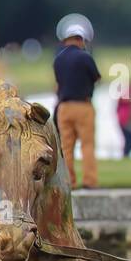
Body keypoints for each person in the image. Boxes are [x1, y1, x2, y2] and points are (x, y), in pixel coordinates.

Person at [53, 17, 101, 189]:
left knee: (66, 147)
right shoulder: (85, 57)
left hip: (64, 107)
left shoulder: (58, 59)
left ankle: (68, 182)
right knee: (87, 145)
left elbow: (58, 82)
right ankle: (89, 181)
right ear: (80, 39)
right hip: (83, 106)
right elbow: (97, 78)